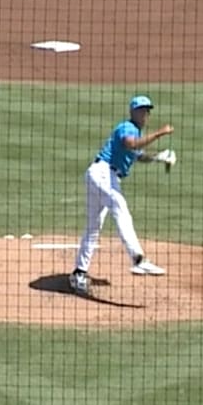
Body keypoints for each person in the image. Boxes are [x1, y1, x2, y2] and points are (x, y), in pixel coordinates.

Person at [69, 95, 175, 297]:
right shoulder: (127, 127)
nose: (145, 114)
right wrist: (160, 133)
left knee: (93, 227)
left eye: (147, 111)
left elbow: (138, 155)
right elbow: (131, 144)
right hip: (103, 174)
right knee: (120, 208)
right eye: (141, 110)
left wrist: (158, 158)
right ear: (133, 111)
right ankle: (138, 259)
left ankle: (79, 273)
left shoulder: (136, 132)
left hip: (101, 176)